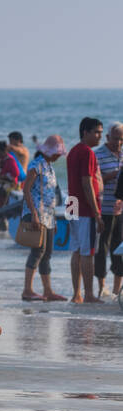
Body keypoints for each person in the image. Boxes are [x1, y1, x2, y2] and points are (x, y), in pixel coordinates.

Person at [21, 135, 67, 302]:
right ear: (48, 151)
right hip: (36, 214)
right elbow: (26, 190)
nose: (58, 156)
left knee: (47, 253)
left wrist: (53, 219)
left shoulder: (49, 167)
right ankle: (27, 290)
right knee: (38, 251)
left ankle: (48, 291)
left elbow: (51, 196)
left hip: (47, 216)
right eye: (56, 153)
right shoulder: (36, 165)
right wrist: (33, 214)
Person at [66, 117, 105, 303]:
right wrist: (97, 213)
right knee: (87, 252)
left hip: (72, 204)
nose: (100, 136)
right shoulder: (87, 152)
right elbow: (87, 182)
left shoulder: (73, 151)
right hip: (84, 208)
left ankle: (77, 293)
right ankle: (88, 293)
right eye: (97, 132)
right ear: (85, 132)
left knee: (76, 250)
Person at [94, 122, 123, 298]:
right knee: (101, 249)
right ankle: (101, 287)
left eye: (121, 139)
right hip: (104, 209)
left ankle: (116, 289)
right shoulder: (98, 156)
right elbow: (93, 183)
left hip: (121, 211)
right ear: (107, 138)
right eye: (115, 139)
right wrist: (112, 175)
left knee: (119, 249)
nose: (118, 142)